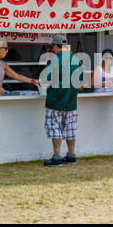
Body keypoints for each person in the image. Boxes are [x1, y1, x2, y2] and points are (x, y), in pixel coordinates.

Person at [40, 35, 84, 167]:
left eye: (52, 46)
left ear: (55, 46)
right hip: (71, 101)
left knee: (55, 129)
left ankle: (57, 157)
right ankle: (71, 155)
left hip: (55, 100)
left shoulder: (53, 61)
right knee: (71, 129)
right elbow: (80, 82)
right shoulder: (77, 61)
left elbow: (45, 81)